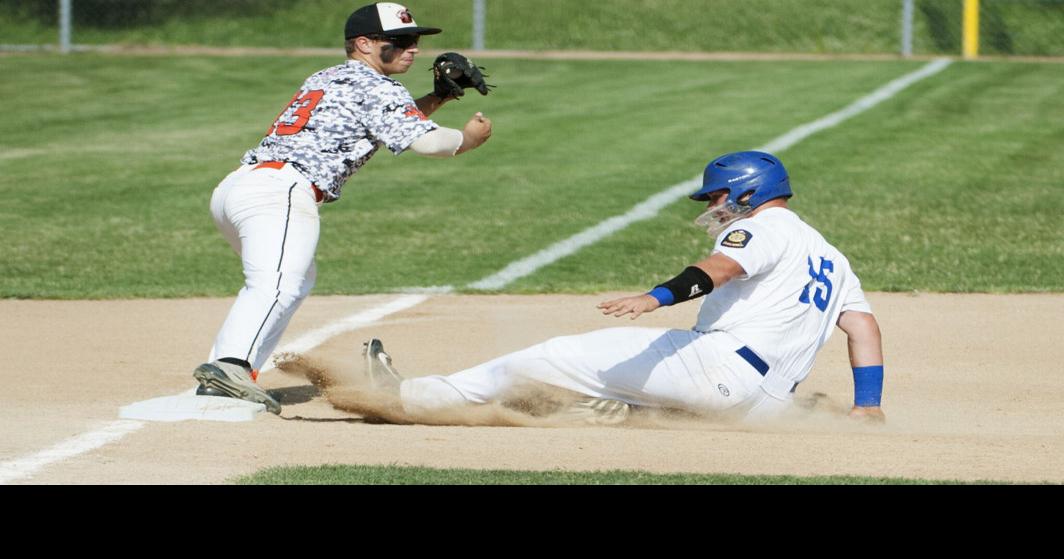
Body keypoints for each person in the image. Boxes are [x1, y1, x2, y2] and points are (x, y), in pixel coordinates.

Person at [365, 151, 885, 424]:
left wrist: (654, 297)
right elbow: (862, 326)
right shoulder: (832, 257)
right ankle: (621, 407)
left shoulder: (762, 228)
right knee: (636, 387)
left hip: (717, 369)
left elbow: (718, 271)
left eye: (718, 196)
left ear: (750, 191)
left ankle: (413, 397)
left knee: (547, 355)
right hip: (762, 403)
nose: (712, 207)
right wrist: (867, 405)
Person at [193, 2, 493, 413]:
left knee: (292, 280)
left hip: (240, 188)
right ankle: (229, 368)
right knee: (278, 282)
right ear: (365, 44)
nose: (414, 49)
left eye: (415, 41)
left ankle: (235, 373)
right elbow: (425, 141)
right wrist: (468, 140)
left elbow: (391, 124)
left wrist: (439, 97)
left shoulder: (331, 76)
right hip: (279, 192)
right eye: (401, 40)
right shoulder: (376, 86)